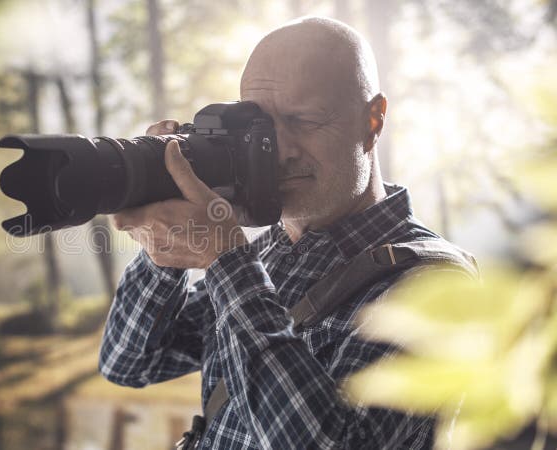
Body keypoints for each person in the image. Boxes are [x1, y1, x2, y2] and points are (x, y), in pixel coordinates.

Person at [99, 16, 473, 449]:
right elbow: (129, 363)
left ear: (373, 120)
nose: (280, 149)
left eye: (305, 120)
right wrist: (164, 247)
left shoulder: (434, 282)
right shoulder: (268, 256)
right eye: (259, 126)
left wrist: (225, 261)